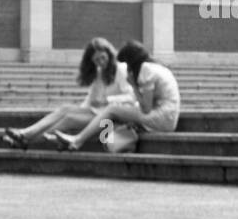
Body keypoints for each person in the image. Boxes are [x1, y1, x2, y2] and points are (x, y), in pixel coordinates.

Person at [49, 40, 180, 152]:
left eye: (127, 64)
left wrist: (133, 86)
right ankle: (73, 139)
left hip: (163, 118)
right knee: (117, 113)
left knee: (113, 109)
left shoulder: (147, 70)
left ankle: (77, 140)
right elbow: (146, 105)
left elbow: (146, 108)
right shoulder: (154, 67)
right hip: (166, 116)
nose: (127, 67)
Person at [1, 37, 132, 149]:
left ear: (109, 54)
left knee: (69, 119)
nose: (101, 62)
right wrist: (77, 110)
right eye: (97, 60)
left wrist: (108, 100)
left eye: (103, 58)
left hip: (111, 116)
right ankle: (25, 133)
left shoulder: (121, 69)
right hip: (96, 111)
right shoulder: (98, 73)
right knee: (64, 109)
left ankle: (28, 140)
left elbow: (131, 97)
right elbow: (89, 100)